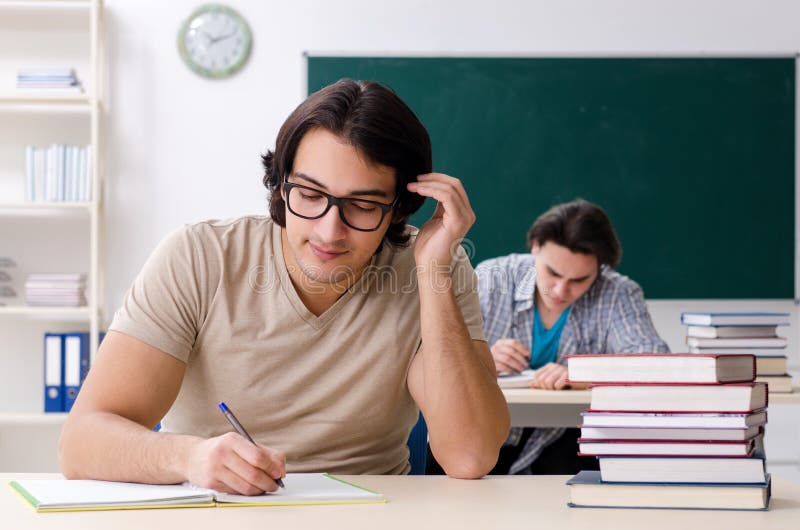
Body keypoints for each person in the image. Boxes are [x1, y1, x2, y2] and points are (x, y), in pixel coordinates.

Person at [58, 79, 510, 493]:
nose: (330, 231)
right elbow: (81, 442)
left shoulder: (432, 265)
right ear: (280, 185)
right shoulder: (199, 256)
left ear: (399, 207)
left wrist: (433, 269)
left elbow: (468, 456)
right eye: (310, 195)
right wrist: (190, 456)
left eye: (363, 205)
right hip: (219, 510)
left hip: (372, 513)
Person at [446, 199, 669, 475]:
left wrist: (582, 375)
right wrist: (481, 357)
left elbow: (656, 366)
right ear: (536, 246)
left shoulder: (617, 293)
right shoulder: (494, 279)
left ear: (600, 269)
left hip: (571, 442)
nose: (561, 290)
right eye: (553, 273)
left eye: (579, 280)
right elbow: (434, 354)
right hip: (488, 434)